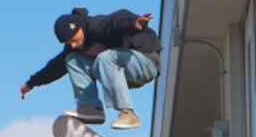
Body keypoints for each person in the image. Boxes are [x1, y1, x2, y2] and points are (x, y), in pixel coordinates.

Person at [20, 7, 162, 130]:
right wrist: (31, 83)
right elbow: (54, 68)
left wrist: (133, 23)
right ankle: (91, 108)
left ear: (79, 28)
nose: (73, 45)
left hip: (145, 62)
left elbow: (115, 21)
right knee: (72, 59)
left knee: (105, 57)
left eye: (74, 40)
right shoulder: (73, 48)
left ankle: (128, 114)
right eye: (69, 43)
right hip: (123, 76)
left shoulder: (95, 26)